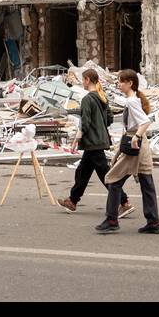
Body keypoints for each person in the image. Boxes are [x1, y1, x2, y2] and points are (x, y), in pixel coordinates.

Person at [58, 69, 133, 219]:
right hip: (100, 140)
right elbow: (110, 118)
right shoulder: (102, 96)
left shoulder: (87, 99)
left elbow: (85, 123)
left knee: (105, 174)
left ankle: (124, 202)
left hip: (92, 142)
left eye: (83, 80)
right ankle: (72, 201)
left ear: (87, 80)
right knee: (82, 172)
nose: (82, 83)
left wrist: (76, 139)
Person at [97, 70, 159, 234]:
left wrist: (136, 137)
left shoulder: (132, 101)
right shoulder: (134, 99)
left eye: (121, 82)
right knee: (147, 183)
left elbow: (145, 121)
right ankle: (153, 222)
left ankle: (112, 219)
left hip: (135, 145)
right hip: (140, 145)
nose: (118, 84)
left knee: (114, 179)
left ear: (130, 83)